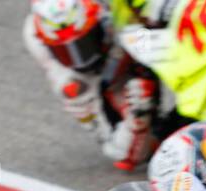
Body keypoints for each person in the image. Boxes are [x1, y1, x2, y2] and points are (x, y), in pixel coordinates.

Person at [24, 0, 162, 170]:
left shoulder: (105, 11)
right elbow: (117, 150)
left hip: (121, 39)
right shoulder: (71, 85)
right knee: (137, 102)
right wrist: (137, 121)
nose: (81, 60)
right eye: (66, 53)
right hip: (109, 78)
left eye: (84, 45)